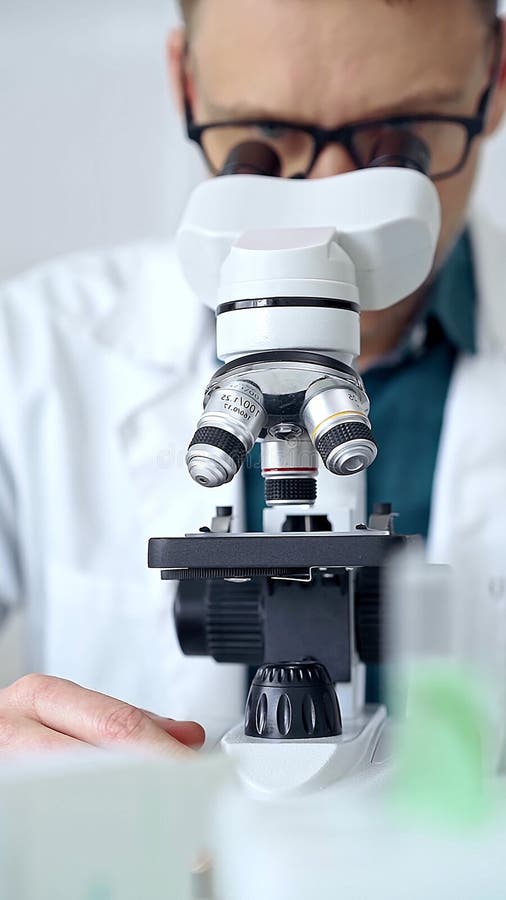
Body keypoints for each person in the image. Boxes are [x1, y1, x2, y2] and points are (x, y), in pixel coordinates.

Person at [0, 0, 505, 756]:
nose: (328, 197)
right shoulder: (31, 349)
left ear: (494, 82)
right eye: (267, 138)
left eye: (396, 139)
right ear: (186, 87)